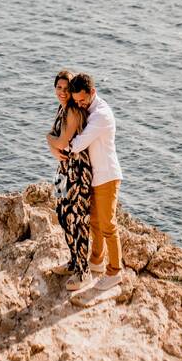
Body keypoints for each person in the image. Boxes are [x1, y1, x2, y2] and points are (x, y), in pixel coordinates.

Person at [63, 73, 123, 295]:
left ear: (93, 92)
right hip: (96, 177)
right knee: (95, 222)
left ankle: (115, 271)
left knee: (108, 224)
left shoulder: (101, 115)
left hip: (107, 176)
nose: (80, 105)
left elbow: (78, 143)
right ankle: (96, 261)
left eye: (82, 101)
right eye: (77, 101)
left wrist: (58, 143)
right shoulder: (88, 109)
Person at [46, 71, 93, 290]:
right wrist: (52, 147)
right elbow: (58, 145)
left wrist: (48, 139)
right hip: (62, 170)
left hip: (77, 171)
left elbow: (62, 141)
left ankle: (84, 272)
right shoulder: (61, 109)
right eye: (59, 88)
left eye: (66, 89)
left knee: (78, 221)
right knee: (62, 215)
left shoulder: (73, 112)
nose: (63, 92)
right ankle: (73, 261)